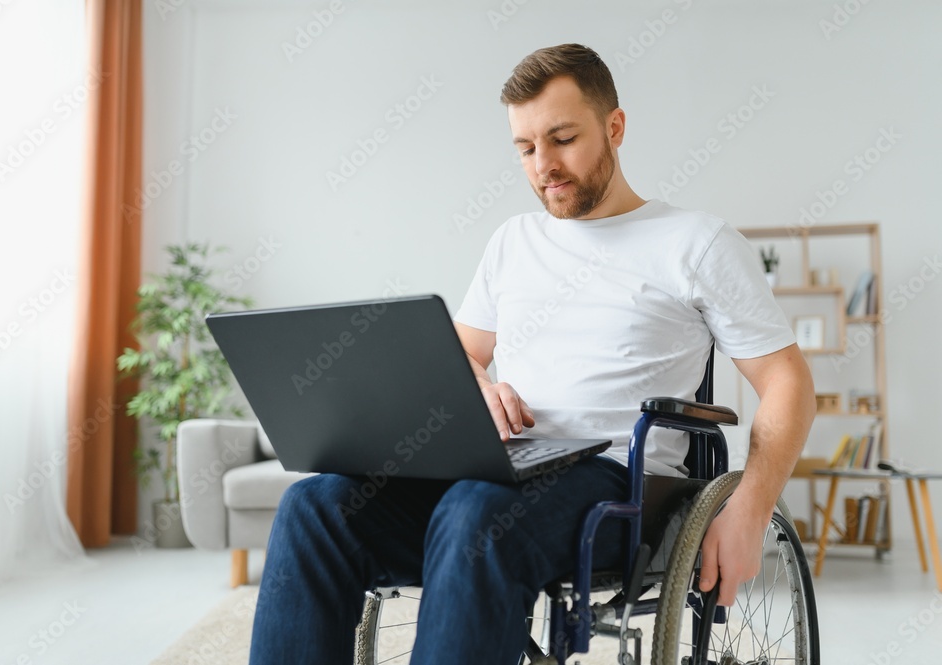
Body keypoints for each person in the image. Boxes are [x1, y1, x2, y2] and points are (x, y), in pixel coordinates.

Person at [247, 43, 815, 665]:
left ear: (615, 127)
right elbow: (460, 357)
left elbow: (787, 381)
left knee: (474, 512)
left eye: (563, 138)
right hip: (498, 472)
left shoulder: (695, 242)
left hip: (620, 486)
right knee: (314, 506)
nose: (544, 164)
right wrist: (480, 387)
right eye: (524, 148)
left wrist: (750, 510)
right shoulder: (512, 242)